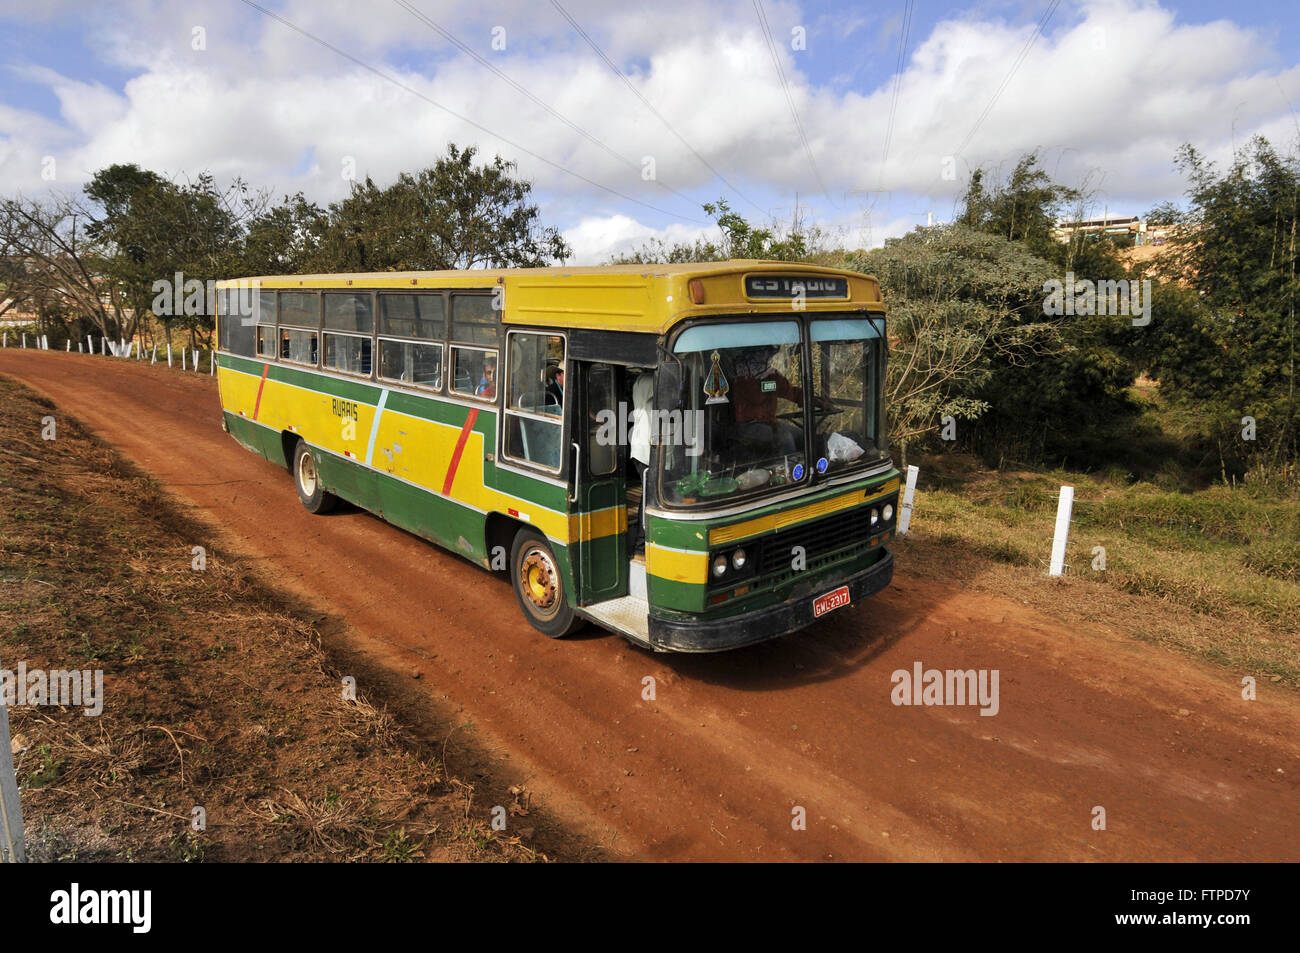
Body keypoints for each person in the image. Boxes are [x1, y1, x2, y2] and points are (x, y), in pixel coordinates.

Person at [730, 346, 802, 455]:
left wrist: (815, 400)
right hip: (748, 425)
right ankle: (787, 467)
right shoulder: (741, 377)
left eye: (767, 353)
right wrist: (770, 384)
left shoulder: (770, 375)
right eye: (761, 353)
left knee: (802, 435)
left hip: (769, 423)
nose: (765, 357)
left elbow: (791, 392)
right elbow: (756, 398)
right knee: (785, 439)